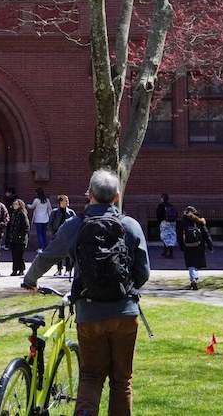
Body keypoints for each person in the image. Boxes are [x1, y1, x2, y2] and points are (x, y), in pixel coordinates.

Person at [21, 169, 150, 416]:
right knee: (121, 381)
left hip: (89, 314)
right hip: (125, 313)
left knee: (91, 376)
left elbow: (46, 256)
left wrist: (30, 280)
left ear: (89, 194)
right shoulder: (130, 225)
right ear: (116, 197)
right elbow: (143, 273)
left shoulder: (75, 226)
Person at [178, 206, 213, 290]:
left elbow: (179, 235)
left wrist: (181, 246)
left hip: (187, 246)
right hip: (199, 246)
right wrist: (210, 246)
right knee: (196, 263)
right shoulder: (199, 221)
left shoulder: (183, 222)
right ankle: (195, 278)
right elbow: (206, 234)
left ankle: (193, 278)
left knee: (190, 264)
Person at [47, 194, 76, 277]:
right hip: (58, 235)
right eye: (66, 200)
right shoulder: (55, 212)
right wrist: (53, 234)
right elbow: (50, 224)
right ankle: (59, 269)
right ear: (61, 202)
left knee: (68, 254)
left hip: (68, 235)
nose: (67, 202)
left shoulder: (71, 212)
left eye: (67, 200)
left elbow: (75, 223)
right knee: (58, 253)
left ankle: (67, 270)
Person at [6, 198, 30, 276]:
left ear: (20, 205)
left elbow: (26, 227)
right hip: (13, 238)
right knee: (14, 255)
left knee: (19, 255)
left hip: (20, 239)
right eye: (14, 204)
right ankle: (16, 269)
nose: (14, 206)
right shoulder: (13, 214)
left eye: (16, 204)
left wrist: (21, 235)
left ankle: (19, 269)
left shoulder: (22, 214)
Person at [156, 194, 178, 259]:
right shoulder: (171, 206)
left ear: (162, 199)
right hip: (172, 223)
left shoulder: (161, 206)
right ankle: (169, 252)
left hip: (164, 223)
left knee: (165, 237)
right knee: (171, 237)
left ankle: (168, 252)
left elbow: (159, 215)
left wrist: (160, 222)